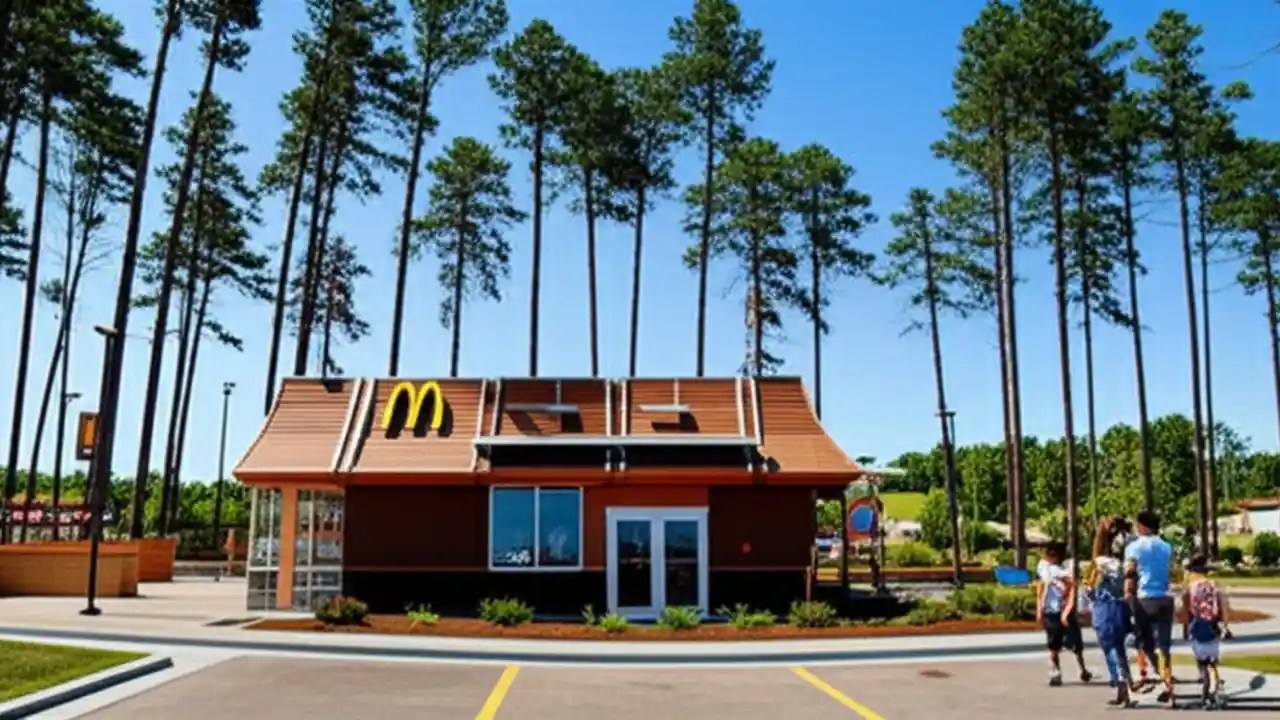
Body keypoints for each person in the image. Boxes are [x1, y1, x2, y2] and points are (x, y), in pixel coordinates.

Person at [1124, 510, 1175, 703]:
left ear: (1143, 526)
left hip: (1144, 599)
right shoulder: (1166, 547)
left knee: (1144, 642)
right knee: (1164, 645)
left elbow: (1130, 574)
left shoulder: (1133, 547)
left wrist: (1128, 599)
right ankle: (1168, 681)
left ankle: (1152, 675)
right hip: (1164, 597)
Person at [1086, 517, 1132, 706]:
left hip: (1107, 607)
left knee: (1111, 646)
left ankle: (1124, 683)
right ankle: (1124, 691)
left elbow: (1093, 586)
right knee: (1118, 648)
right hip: (1116, 605)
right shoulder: (1121, 560)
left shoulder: (1104, 563)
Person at [1036, 541, 1093, 687]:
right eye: (1049, 553)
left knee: (1076, 644)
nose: (1050, 556)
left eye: (1053, 554)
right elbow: (1041, 587)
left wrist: (1067, 608)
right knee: (1053, 645)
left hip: (1064, 612)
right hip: (1051, 611)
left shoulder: (1065, 569)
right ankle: (1056, 673)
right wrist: (1040, 608)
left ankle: (1083, 669)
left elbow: (1072, 584)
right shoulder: (1042, 566)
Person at [1180, 553, 1233, 703]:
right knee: (1213, 662)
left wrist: (1185, 629)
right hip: (1213, 626)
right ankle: (1217, 687)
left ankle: (1205, 692)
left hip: (1196, 626)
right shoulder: (1214, 585)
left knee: (1201, 663)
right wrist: (1225, 626)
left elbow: (1184, 610)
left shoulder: (1190, 587)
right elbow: (1223, 607)